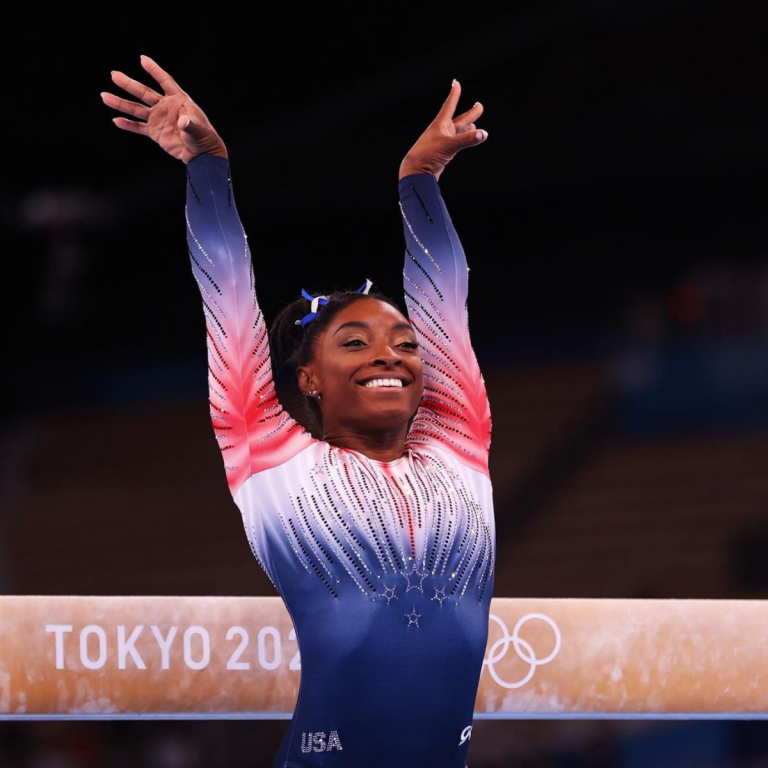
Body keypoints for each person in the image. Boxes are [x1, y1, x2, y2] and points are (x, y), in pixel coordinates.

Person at [101, 54, 494, 768]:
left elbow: (446, 295)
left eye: (405, 343)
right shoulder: (268, 451)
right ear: (308, 378)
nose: (390, 355)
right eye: (356, 342)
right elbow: (226, 289)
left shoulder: (459, 442)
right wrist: (208, 168)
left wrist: (419, 180)